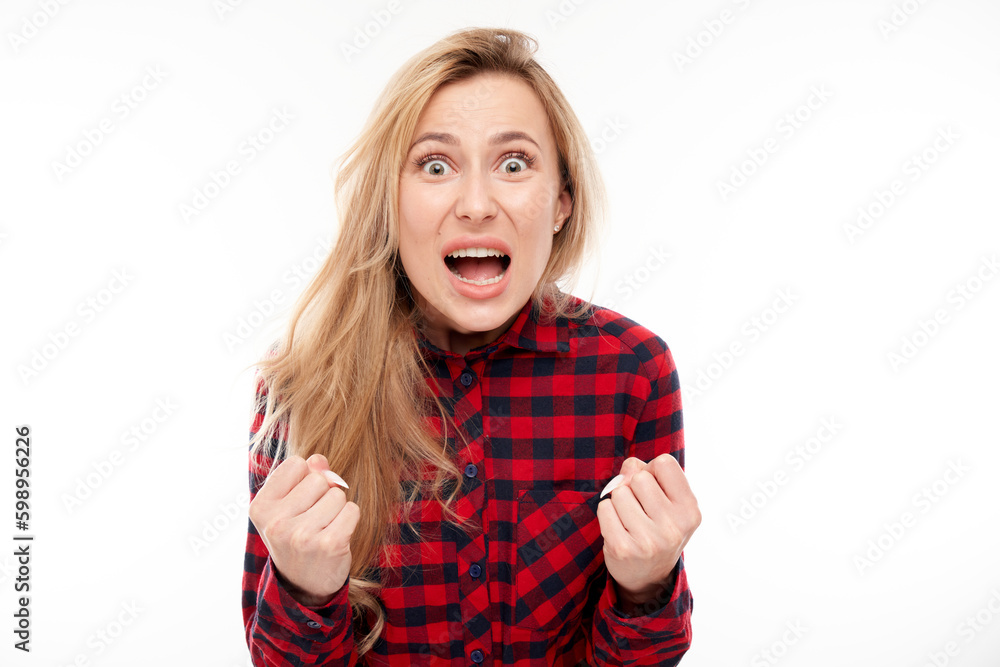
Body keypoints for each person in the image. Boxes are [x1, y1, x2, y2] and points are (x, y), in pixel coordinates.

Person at [241, 26, 700, 666]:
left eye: (514, 164)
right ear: (390, 202)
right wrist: (302, 589)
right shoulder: (304, 385)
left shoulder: (633, 371)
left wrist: (648, 586)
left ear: (562, 200)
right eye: (435, 165)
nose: (478, 205)